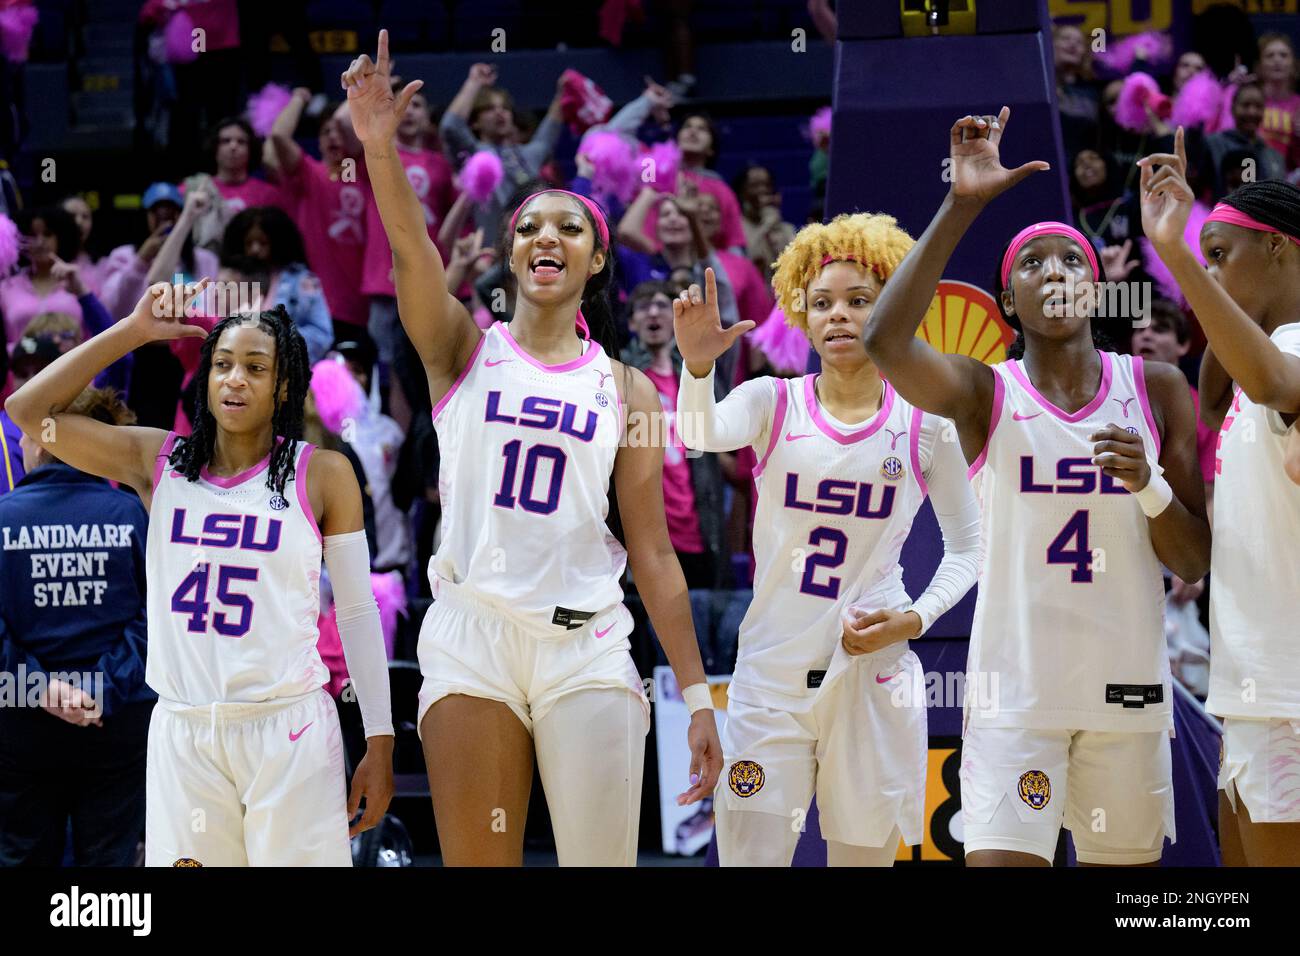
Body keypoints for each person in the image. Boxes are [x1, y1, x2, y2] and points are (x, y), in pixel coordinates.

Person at [345, 31, 722, 866]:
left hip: (586, 644)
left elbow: (654, 553)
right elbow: (413, 249)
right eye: (529, 228)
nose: (546, 236)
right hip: (472, 634)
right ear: (512, 256)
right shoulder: (461, 349)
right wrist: (378, 151)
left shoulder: (630, 390)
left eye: (569, 227)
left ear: (595, 260)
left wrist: (698, 696)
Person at [863, 107, 1211, 867]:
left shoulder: (1157, 388)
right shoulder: (984, 392)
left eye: (1072, 261)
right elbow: (884, 342)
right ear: (1009, 302)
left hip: (1127, 698)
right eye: (1034, 263)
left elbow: (1192, 561)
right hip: (1014, 697)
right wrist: (962, 205)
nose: (1055, 271)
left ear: (1097, 288)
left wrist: (1148, 487)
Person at [4, 284, 394, 866]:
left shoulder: (324, 474)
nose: (235, 379)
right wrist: (132, 331)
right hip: (185, 731)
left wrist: (380, 742)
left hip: (288, 730)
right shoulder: (155, 461)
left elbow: (359, 614)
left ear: (284, 385)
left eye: (255, 367)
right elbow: (27, 412)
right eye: (223, 364)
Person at [676, 214, 983, 866]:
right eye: (822, 303)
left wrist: (915, 617)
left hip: (873, 678)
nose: (838, 315)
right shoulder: (770, 401)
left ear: (890, 309)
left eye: (859, 300)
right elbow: (696, 434)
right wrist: (697, 369)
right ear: (800, 316)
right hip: (771, 682)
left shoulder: (926, 423)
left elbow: (968, 546)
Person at [1140, 134, 1300, 865]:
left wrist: (1173, 252)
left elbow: (1272, 382)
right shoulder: (1256, 358)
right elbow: (1214, 395)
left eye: (1223, 255)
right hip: (1254, 689)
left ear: (1281, 250)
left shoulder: (1291, 348)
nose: (1210, 272)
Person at [0, 387, 154, 865]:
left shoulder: (2, 517)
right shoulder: (134, 514)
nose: (20, 447)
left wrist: (38, 687)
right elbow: (159, 621)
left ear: (46, 441)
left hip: (19, 719)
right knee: (110, 864)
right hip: (118, 718)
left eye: (25, 437)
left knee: (21, 858)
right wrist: (101, 688)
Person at [620, 280, 730, 591]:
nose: (653, 313)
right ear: (631, 322)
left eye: (661, 306)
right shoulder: (620, 375)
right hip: (644, 538)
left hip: (699, 529)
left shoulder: (700, 375)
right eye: (643, 307)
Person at [265, 89, 371, 336]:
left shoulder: (368, 176)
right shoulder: (310, 173)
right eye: (325, 132)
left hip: (364, 305)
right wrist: (299, 98)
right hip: (316, 306)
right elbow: (279, 136)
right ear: (319, 141)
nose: (333, 137)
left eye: (339, 130)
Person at [220, 205, 334, 365]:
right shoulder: (229, 278)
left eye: (263, 242)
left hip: (286, 370)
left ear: (278, 242)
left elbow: (322, 334)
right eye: (249, 243)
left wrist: (276, 339)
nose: (255, 249)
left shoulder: (303, 281)